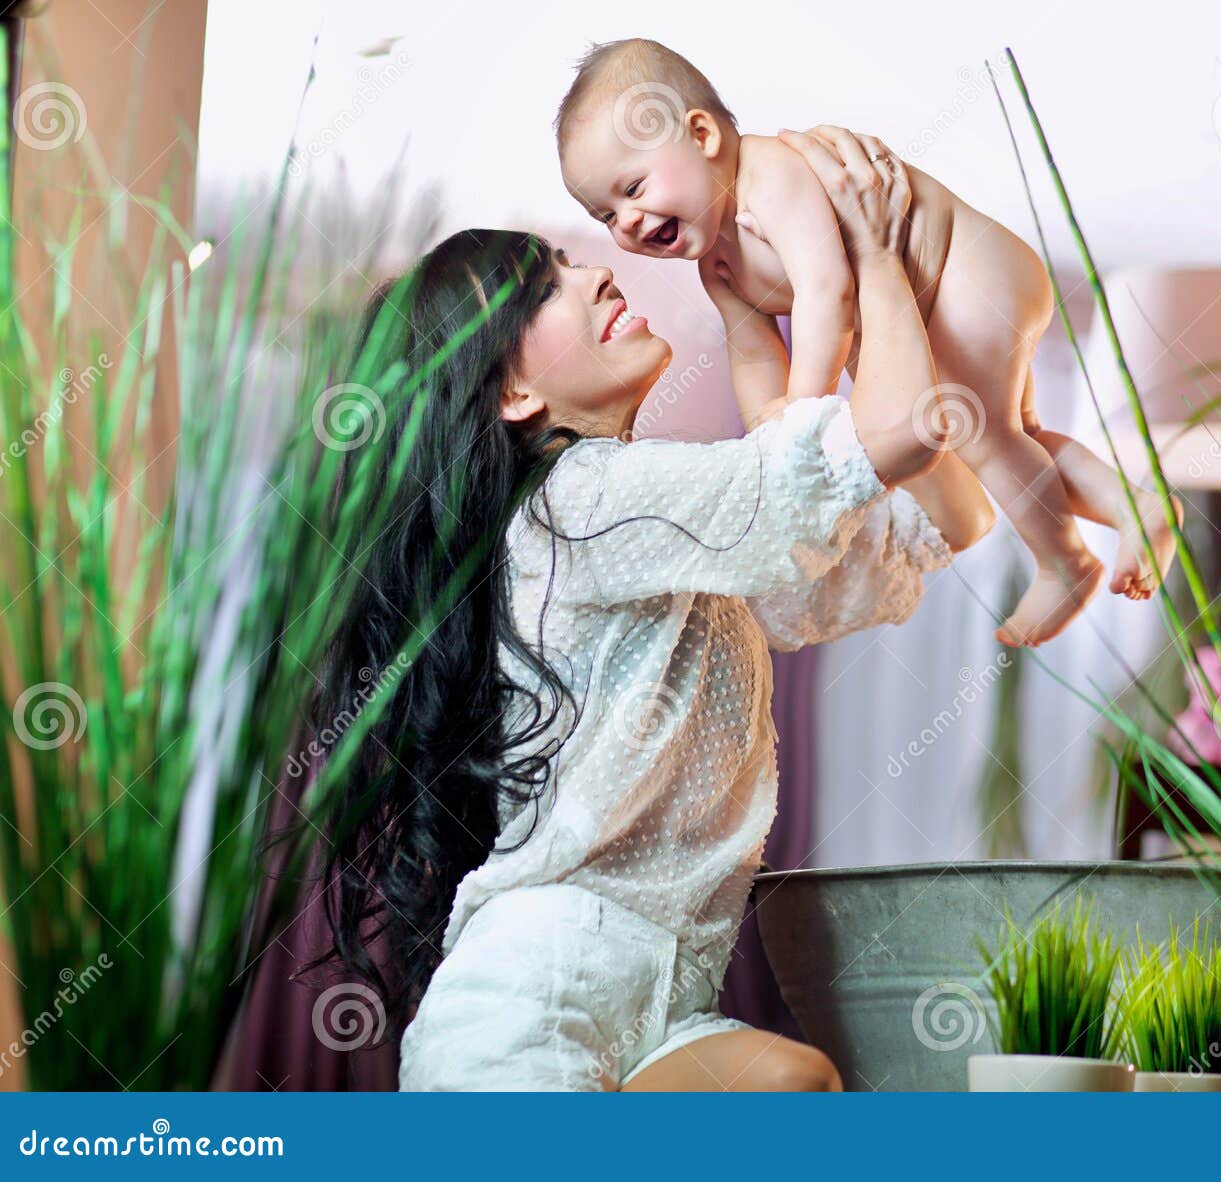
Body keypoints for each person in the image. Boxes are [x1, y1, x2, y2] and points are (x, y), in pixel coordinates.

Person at [311, 126, 991, 1091]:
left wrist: (765, 317)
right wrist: (864, 260)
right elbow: (874, 443)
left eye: (567, 261)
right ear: (509, 390)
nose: (592, 273)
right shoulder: (574, 501)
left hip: (669, 997)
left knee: (798, 1085)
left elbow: (941, 512)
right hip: (530, 1012)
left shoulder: (688, 529)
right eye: (544, 288)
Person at [556, 38, 1184, 647]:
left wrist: (803, 411)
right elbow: (750, 352)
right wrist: (771, 439)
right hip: (937, 306)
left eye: (633, 189)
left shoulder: (768, 175)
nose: (628, 223)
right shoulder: (715, 266)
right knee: (1014, 438)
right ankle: (1139, 508)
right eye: (606, 216)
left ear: (703, 135)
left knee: (987, 435)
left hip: (967, 271)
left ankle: (1066, 562)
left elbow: (828, 292)